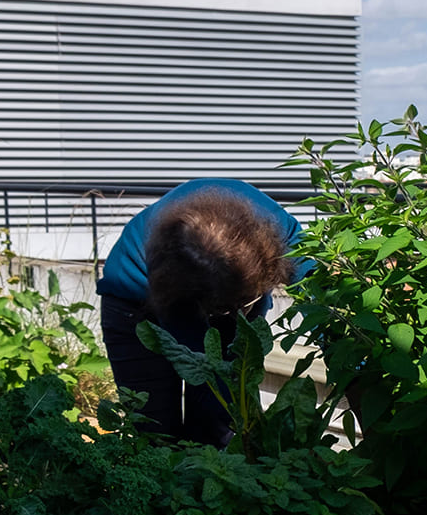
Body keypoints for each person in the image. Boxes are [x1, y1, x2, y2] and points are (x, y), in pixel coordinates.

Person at [98, 178, 309, 445]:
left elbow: (323, 289)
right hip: (134, 301)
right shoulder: (171, 270)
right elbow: (201, 358)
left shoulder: (276, 228)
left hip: (211, 285)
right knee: (154, 429)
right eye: (226, 310)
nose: (238, 314)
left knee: (218, 422)